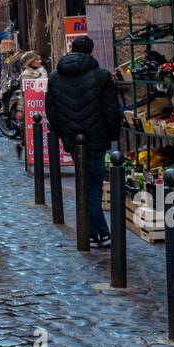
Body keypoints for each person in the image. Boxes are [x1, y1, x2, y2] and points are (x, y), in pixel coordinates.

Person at [45, 36, 121, 248]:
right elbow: (111, 109)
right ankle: (97, 233)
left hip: (72, 138)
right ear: (91, 52)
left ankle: (94, 232)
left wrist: (63, 133)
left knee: (84, 182)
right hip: (96, 137)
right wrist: (112, 134)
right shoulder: (102, 76)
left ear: (71, 49)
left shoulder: (55, 77)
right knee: (94, 184)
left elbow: (51, 110)